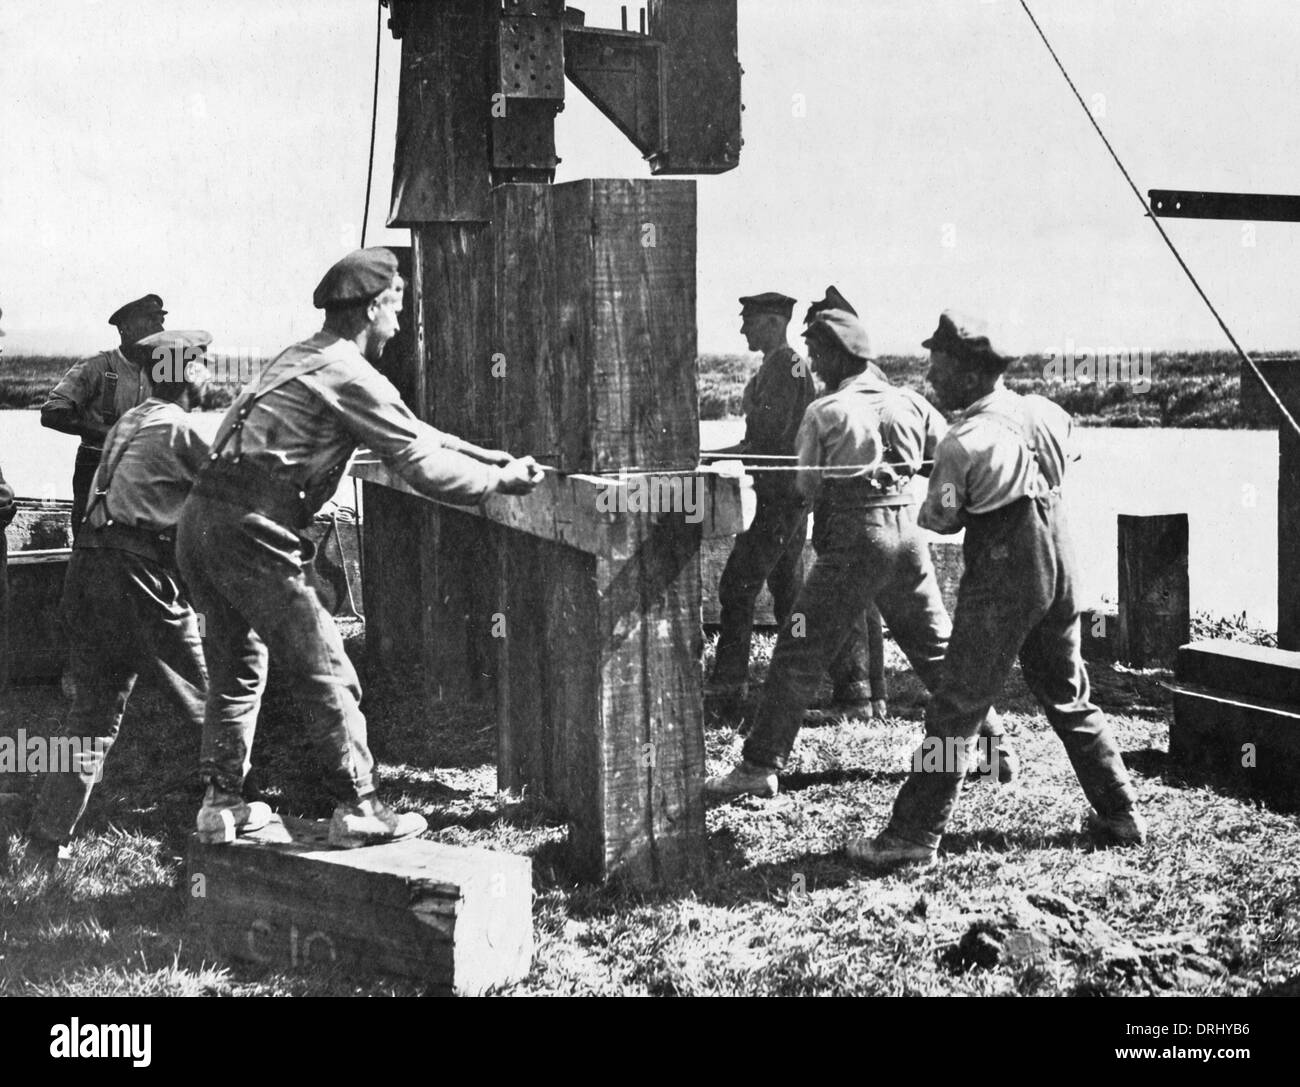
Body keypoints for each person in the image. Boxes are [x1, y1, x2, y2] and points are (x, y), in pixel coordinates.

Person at [176, 247, 544, 849]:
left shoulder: (302, 357)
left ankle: (221, 804)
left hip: (203, 522)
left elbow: (416, 430)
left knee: (237, 666)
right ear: (372, 307)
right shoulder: (349, 371)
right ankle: (360, 805)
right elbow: (420, 463)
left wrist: (485, 455)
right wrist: (499, 484)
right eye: (395, 310)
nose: (399, 326)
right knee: (326, 663)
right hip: (253, 529)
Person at [845, 312, 1145, 868]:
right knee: (1068, 693)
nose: (930, 380)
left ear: (965, 375)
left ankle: (913, 835)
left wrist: (918, 477)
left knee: (957, 704)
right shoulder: (1045, 412)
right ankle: (1122, 812)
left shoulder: (963, 440)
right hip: (1061, 562)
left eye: (938, 369)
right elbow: (1057, 464)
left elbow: (940, 521)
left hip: (1006, 572)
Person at [704, 309, 1015, 802]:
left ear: (832, 354)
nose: (813, 361)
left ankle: (759, 766)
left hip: (855, 540)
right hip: (910, 536)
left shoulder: (826, 410)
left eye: (816, 353)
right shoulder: (910, 402)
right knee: (937, 651)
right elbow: (948, 456)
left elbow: (806, 483)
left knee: (797, 649)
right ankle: (995, 747)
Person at [23, 332, 216, 870]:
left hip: (88, 573)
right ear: (186, 374)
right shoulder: (179, 428)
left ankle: (45, 843)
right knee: (215, 704)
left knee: (91, 718)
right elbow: (232, 497)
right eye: (204, 368)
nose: (211, 377)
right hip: (137, 580)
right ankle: (237, 825)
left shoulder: (129, 422)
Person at [704, 293, 815, 721]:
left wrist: (715, 455)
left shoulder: (786, 368)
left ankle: (729, 686)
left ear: (771, 323)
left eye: (749, 322)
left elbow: (766, 442)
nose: (742, 330)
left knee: (737, 586)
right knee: (789, 595)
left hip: (780, 498)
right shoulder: (779, 365)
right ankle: (807, 686)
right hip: (783, 495)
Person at [41, 294, 166, 532]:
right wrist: (110, 433)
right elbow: (51, 414)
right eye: (151, 321)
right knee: (91, 539)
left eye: (161, 321)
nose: (159, 329)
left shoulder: (163, 370)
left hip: (144, 469)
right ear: (125, 329)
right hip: (96, 463)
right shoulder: (97, 365)